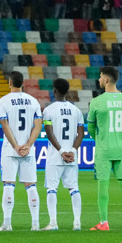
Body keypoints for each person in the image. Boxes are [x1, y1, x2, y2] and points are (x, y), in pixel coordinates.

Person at [86, 67, 122, 231]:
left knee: (103, 186)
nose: (99, 79)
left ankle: (104, 222)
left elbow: (91, 128)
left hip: (104, 150)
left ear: (106, 80)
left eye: (100, 77)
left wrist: (100, 139)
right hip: (121, 149)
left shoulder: (96, 102)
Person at [0, 71, 44, 231]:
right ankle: (36, 223)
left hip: (11, 150)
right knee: (31, 186)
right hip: (28, 150)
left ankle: (7, 223)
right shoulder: (33, 101)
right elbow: (38, 125)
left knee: (9, 184)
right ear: (23, 83)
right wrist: (29, 144)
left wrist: (15, 145)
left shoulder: (4, 101)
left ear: (10, 82)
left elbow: (5, 125)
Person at [42, 79, 85, 231]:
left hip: (55, 156)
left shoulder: (48, 110)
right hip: (72, 157)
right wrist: (72, 151)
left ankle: (53, 223)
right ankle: (77, 223)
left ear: (54, 91)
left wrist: (61, 152)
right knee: (74, 188)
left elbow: (49, 133)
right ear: (67, 92)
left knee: (52, 189)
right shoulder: (76, 111)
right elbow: (81, 133)